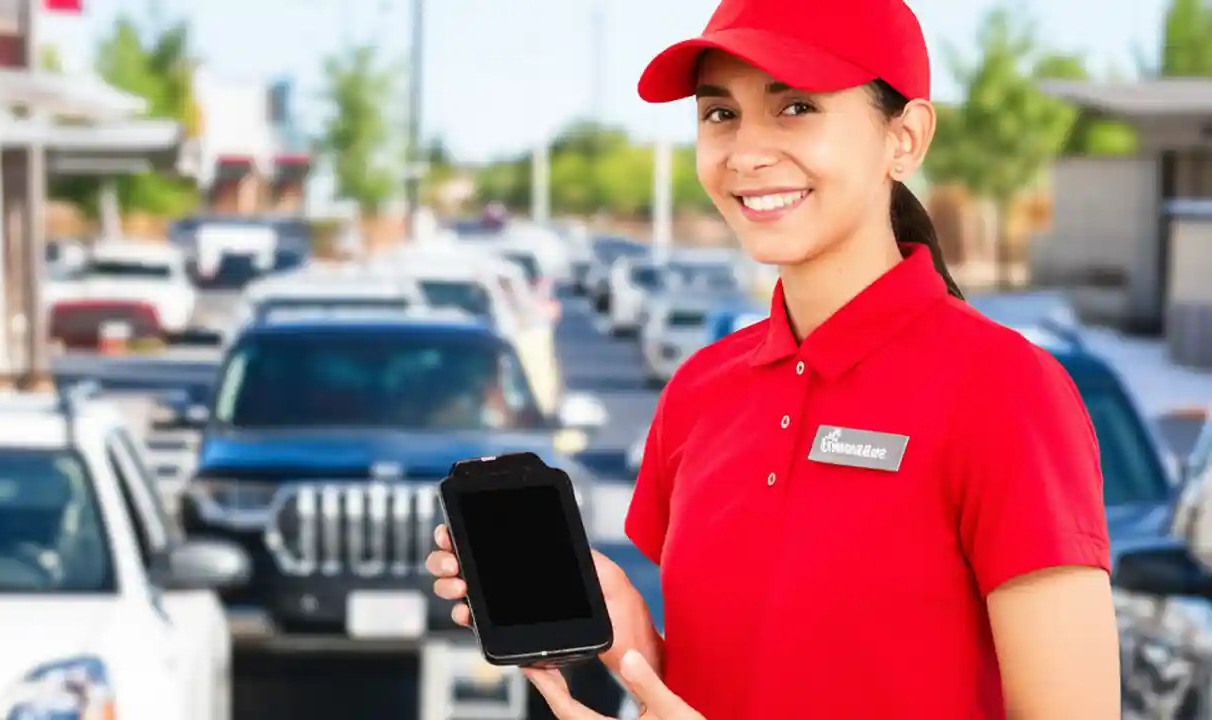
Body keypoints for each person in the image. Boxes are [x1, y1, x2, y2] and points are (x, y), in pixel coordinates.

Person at [427, 0, 1121, 717]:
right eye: (720, 114)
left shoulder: (1006, 391)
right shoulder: (701, 390)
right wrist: (641, 649)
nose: (746, 153)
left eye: (795, 108)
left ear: (905, 139)